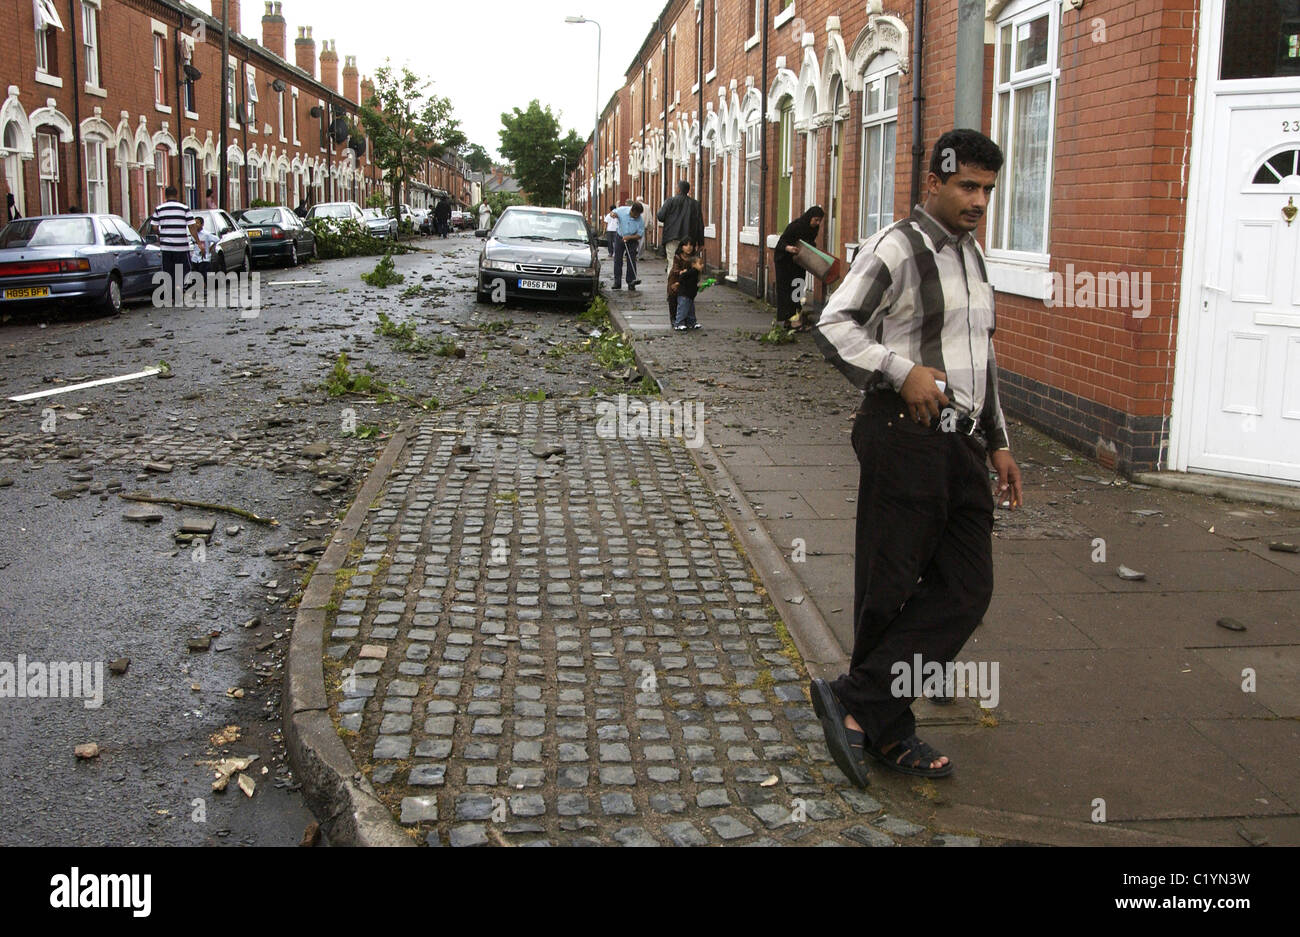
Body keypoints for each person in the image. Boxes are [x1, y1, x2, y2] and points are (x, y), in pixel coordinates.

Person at [808, 129, 1023, 787]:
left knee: (966, 585)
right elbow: (834, 324)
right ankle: (889, 729)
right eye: (967, 186)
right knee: (891, 585)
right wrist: (902, 370)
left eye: (988, 188)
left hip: (961, 444)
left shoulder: (972, 257)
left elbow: (976, 358)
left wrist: (1000, 440)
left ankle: (859, 699)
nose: (979, 200)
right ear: (934, 180)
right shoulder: (896, 247)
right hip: (902, 434)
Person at [773, 206, 824, 331]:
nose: (817, 223)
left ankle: (794, 320)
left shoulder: (813, 229)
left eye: (819, 221)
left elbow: (809, 242)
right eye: (815, 220)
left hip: (799, 262)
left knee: (798, 289)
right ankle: (791, 321)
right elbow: (781, 243)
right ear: (809, 217)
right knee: (786, 291)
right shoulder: (795, 226)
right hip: (784, 262)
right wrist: (789, 248)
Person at [150, 185, 199, 297]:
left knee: (168, 271)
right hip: (181, 246)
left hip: (166, 247)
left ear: (165, 196)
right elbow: (192, 227)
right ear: (176, 195)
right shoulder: (184, 208)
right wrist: (198, 242)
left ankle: (171, 294)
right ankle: (179, 289)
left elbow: (154, 227)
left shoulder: (159, 209)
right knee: (183, 269)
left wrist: (162, 234)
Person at [656, 179, 704, 274]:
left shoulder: (670, 201)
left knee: (672, 263)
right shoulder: (695, 204)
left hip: (672, 237)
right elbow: (700, 224)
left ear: (678, 189)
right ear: (688, 190)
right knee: (688, 263)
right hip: (688, 241)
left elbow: (660, 216)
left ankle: (672, 285)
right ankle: (685, 285)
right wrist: (701, 242)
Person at [668, 239, 704, 331]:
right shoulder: (678, 257)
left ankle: (691, 322)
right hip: (678, 282)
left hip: (690, 291)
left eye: (691, 245)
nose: (689, 247)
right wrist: (679, 279)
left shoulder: (694, 262)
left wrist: (698, 286)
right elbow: (679, 272)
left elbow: (693, 281)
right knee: (679, 304)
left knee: (690, 308)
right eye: (686, 245)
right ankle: (678, 322)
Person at [610, 200, 644, 291]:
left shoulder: (640, 219)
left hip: (632, 240)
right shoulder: (622, 210)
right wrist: (613, 214)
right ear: (632, 211)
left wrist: (629, 237)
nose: (637, 217)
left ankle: (631, 281)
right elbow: (612, 213)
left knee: (631, 260)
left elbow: (639, 235)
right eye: (635, 215)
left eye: (638, 215)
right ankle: (617, 282)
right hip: (620, 237)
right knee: (618, 259)